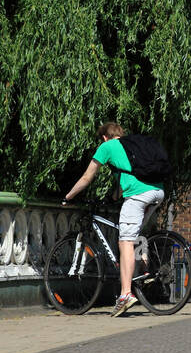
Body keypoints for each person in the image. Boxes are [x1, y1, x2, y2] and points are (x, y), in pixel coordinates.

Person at [63, 122, 165, 317]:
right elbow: (121, 185)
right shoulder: (130, 146)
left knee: (125, 240)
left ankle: (125, 294)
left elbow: (87, 177)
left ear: (104, 137)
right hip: (157, 191)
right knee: (135, 234)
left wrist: (68, 196)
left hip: (138, 194)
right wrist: (112, 198)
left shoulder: (107, 147)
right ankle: (144, 270)